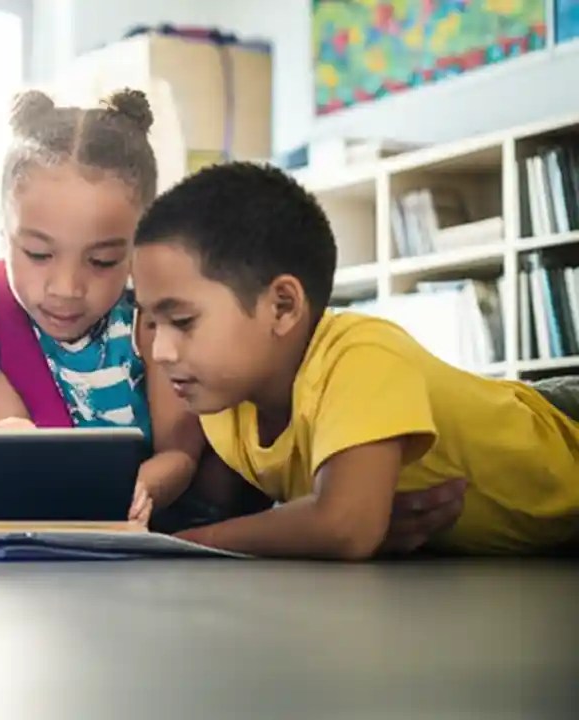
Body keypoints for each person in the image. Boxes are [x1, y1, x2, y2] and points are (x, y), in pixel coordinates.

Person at [131, 161, 579, 558]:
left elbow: (344, 527)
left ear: (282, 307)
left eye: (183, 321)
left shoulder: (361, 355)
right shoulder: (223, 403)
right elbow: (316, 522)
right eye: (151, 323)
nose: (160, 351)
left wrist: (193, 545)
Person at [0, 88, 202, 527]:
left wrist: (141, 487)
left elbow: (181, 453)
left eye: (102, 261)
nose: (66, 288)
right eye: (39, 254)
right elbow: (11, 438)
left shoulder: (148, 325)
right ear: (2, 228)